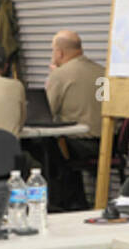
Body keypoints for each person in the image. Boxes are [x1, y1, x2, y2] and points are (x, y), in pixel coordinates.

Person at [45, 30, 104, 209]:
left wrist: (53, 78)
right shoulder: (103, 73)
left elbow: (48, 111)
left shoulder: (60, 75)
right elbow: (108, 105)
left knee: (42, 146)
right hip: (108, 143)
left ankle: (61, 202)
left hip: (77, 145)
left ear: (59, 53)